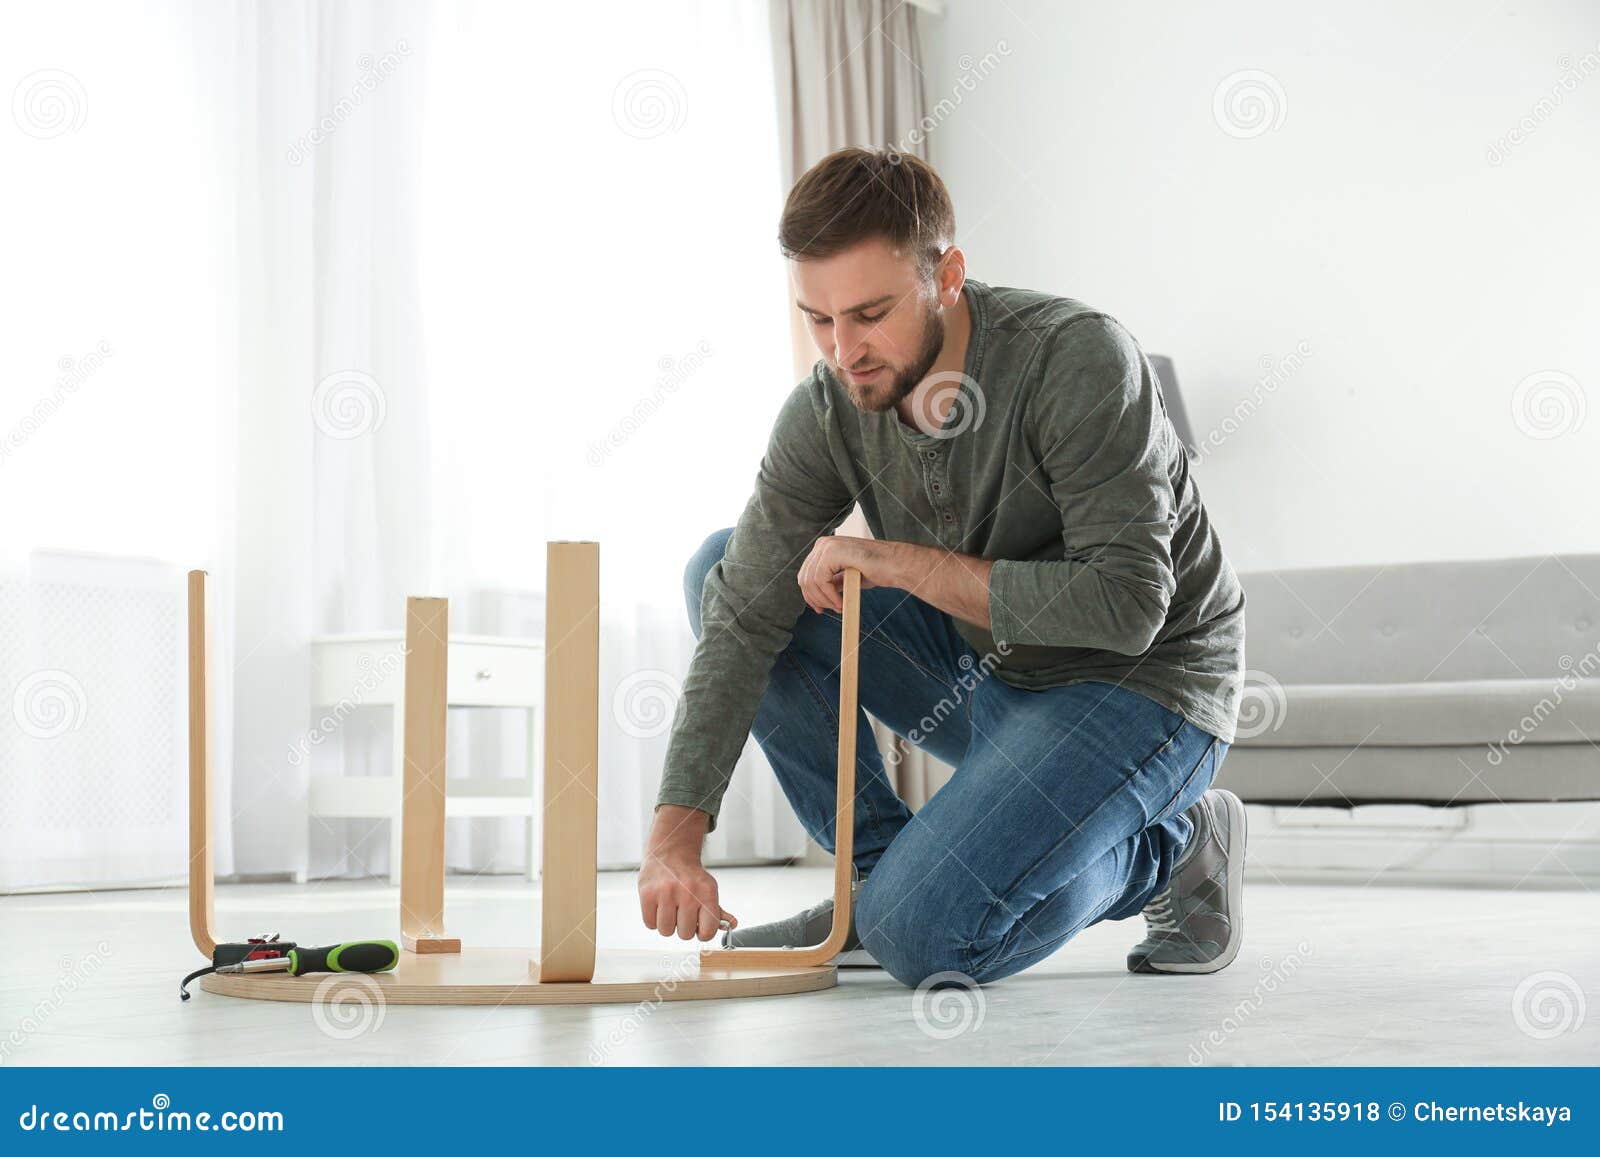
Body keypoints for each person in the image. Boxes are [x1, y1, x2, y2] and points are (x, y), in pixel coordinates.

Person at [636, 145, 1247, 989]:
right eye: (818, 318)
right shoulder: (828, 407)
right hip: (990, 677)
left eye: (870, 313)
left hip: (1141, 690)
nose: (843, 350)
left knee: (925, 940)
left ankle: (1172, 847)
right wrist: (673, 841)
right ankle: (875, 881)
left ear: (947, 276)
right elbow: (742, 613)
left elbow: (1126, 604)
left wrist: (896, 561)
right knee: (723, 565)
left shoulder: (1078, 359)